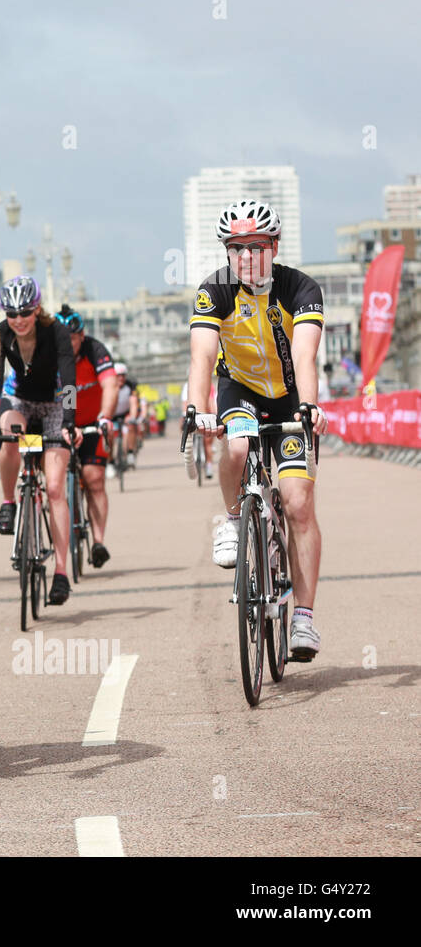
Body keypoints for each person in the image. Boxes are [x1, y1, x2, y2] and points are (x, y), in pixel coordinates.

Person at [188, 198, 326, 661]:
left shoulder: (300, 287)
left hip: (288, 397)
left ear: (274, 246)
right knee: (238, 445)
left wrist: (307, 407)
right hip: (240, 391)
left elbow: (305, 354)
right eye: (237, 248)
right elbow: (203, 357)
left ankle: (303, 619)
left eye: (257, 247)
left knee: (298, 503)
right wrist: (195, 407)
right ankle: (233, 521)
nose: (246, 257)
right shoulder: (215, 290)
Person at [0, 276, 78, 604]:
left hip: (55, 405)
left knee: (54, 488)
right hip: (20, 402)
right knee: (9, 436)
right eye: (12, 314)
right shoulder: (1, 333)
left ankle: (62, 573)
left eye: (25, 312)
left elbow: (69, 378)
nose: (19, 320)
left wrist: (68, 422)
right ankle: (10, 501)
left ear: (36, 308)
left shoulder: (56, 331)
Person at [56, 305, 118, 568]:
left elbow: (110, 384)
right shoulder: (51, 354)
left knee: (94, 480)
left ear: (82, 336)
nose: (69, 343)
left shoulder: (96, 350)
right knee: (54, 481)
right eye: (64, 338)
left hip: (91, 423)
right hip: (60, 425)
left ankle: (98, 541)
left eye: (74, 337)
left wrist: (105, 416)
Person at [109, 363, 141, 474]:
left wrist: (132, 416)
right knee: (108, 435)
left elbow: (133, 403)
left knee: (131, 426)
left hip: (125, 413)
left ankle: (131, 453)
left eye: (123, 375)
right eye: (118, 375)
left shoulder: (130, 386)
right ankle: (110, 462)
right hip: (111, 414)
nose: (121, 378)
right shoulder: (109, 386)